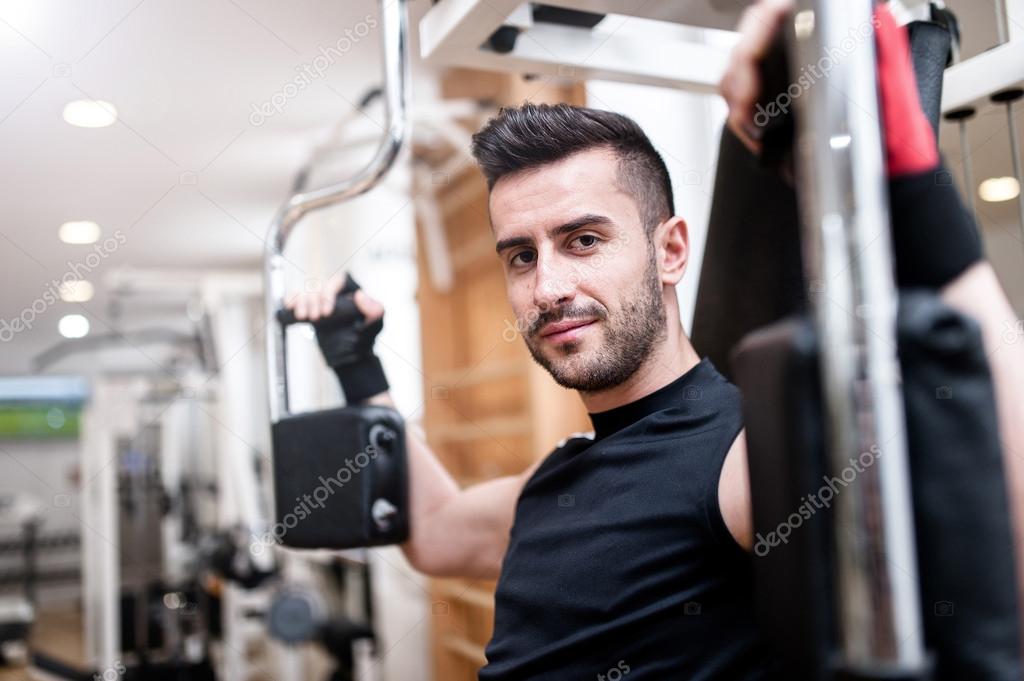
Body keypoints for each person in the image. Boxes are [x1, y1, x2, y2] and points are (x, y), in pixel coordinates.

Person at [287, 0, 1024, 677]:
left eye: (583, 239)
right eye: (521, 254)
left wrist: (915, 191)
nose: (546, 288)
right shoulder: (559, 479)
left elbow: (1000, 535)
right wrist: (358, 365)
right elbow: (438, 533)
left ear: (670, 250)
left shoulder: (738, 461)